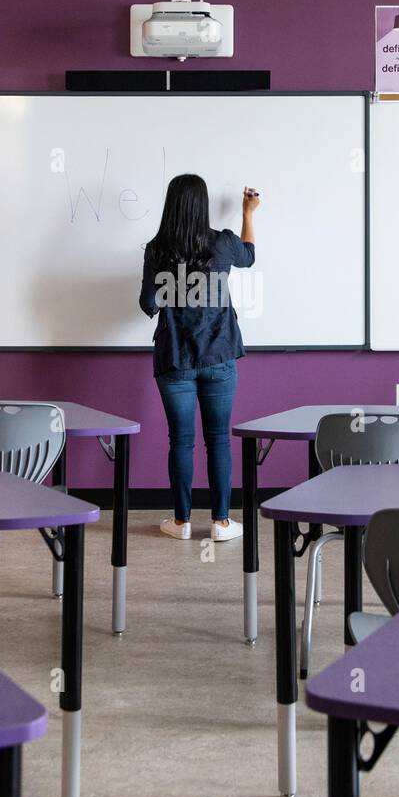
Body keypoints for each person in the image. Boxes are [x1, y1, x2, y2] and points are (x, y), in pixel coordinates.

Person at [140, 174, 259, 541]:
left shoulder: (157, 249)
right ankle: (221, 523)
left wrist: (170, 289)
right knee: (219, 439)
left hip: (175, 358)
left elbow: (148, 304)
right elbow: (250, 257)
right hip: (218, 355)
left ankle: (181, 522)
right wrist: (248, 213)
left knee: (181, 440)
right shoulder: (222, 243)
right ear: (203, 203)